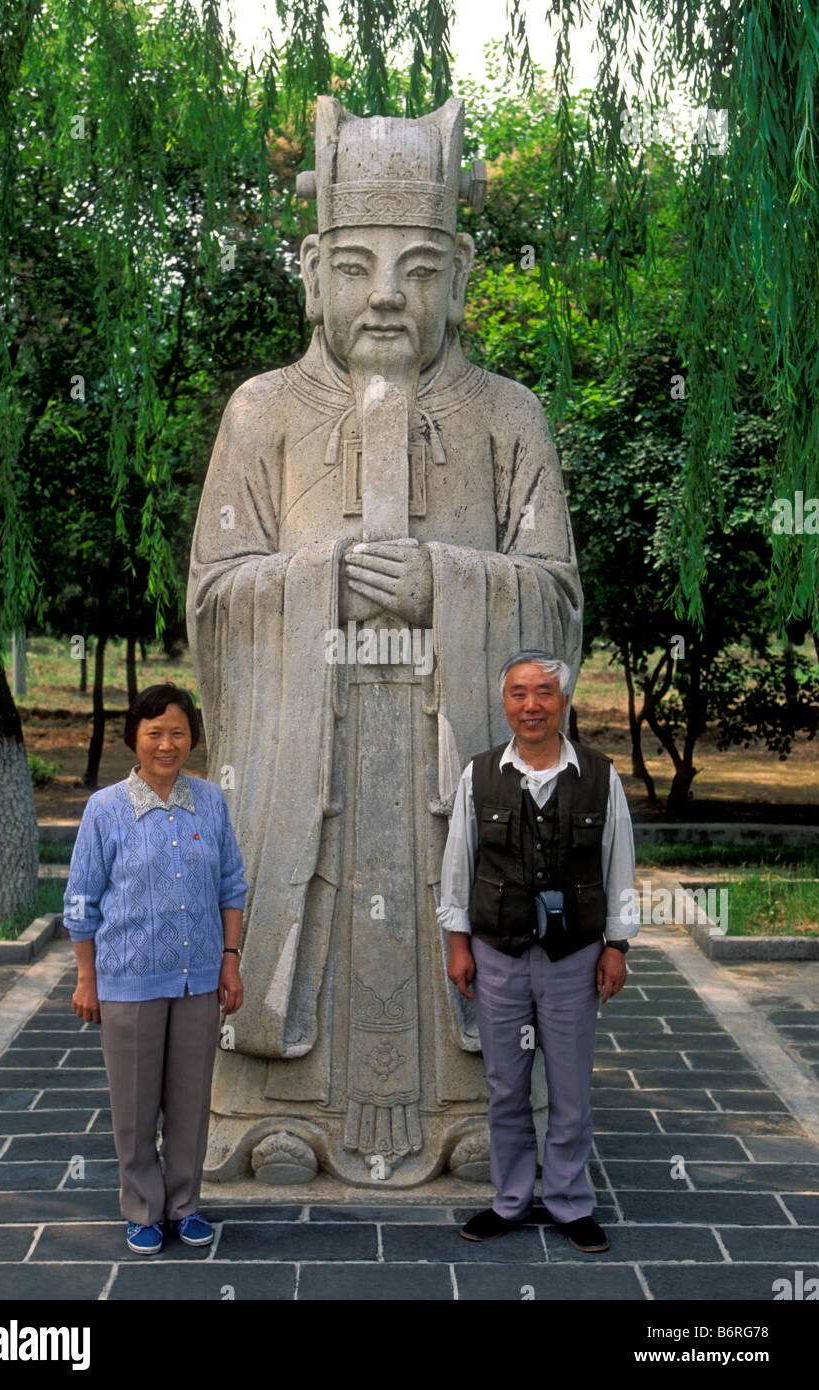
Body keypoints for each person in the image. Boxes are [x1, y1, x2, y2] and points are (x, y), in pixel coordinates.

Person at [185, 94, 583, 1186]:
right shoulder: (260, 413)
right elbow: (215, 597)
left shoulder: (511, 417)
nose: (387, 294)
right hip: (306, 752)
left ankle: (474, 1105)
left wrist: (443, 585)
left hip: (445, 744)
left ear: (457, 277)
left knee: (461, 899)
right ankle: (277, 1107)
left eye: (417, 267)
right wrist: (316, 585)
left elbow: (555, 601)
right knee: (302, 896)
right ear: (311, 271)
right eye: (356, 264)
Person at [439, 650, 637, 1252]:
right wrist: (457, 943)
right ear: (505, 703)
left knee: (572, 1086)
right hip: (496, 952)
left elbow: (619, 865)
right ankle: (510, 1199)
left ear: (563, 700)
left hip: (575, 956)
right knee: (505, 1084)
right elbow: (458, 862)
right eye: (520, 693)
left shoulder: (601, 775)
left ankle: (571, 1202)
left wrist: (617, 946)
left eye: (544, 693)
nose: (532, 705)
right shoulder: (479, 774)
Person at [64, 683, 247, 1256]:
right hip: (128, 982)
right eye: (154, 733)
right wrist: (86, 978)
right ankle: (142, 1208)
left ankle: (185, 1205)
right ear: (134, 739)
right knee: (136, 1103)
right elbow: (80, 901)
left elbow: (232, 885)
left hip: (199, 980)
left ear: (192, 737)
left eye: (178, 732)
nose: (167, 744)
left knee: (191, 1103)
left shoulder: (211, 801)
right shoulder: (106, 808)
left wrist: (230, 962)